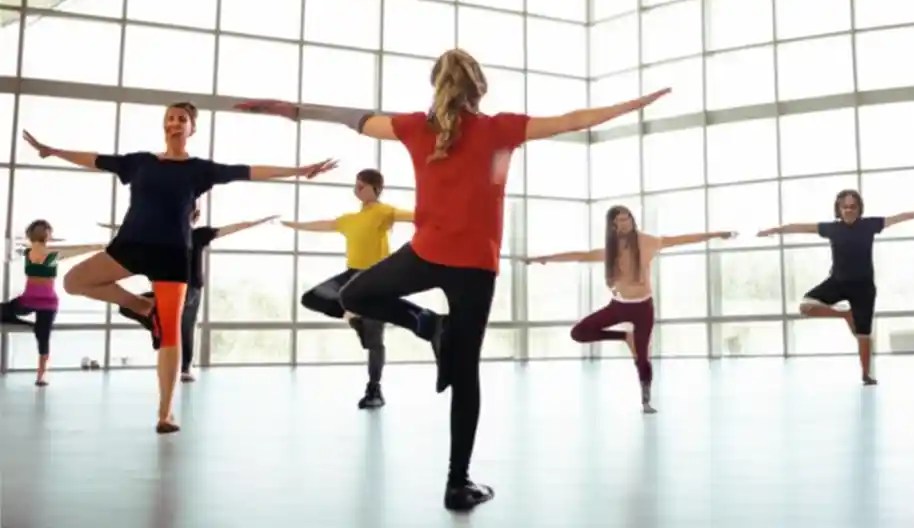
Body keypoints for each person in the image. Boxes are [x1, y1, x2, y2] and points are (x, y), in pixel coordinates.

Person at [234, 47, 670, 512]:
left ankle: (428, 326)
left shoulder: (416, 127)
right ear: (479, 88)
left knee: (356, 293)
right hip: (474, 267)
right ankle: (456, 479)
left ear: (435, 86)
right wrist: (631, 105)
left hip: (427, 254)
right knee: (464, 375)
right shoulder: (499, 128)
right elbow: (571, 120)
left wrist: (294, 110)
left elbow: (353, 117)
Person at [21, 101, 335, 434]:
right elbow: (95, 159)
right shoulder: (139, 162)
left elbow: (247, 171)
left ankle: (165, 412)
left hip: (172, 255)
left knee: (170, 333)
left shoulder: (199, 169)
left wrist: (299, 171)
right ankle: (143, 305)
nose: (175, 123)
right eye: (170, 118)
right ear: (164, 125)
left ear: (191, 128)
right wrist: (52, 151)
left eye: (182, 119)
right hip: (130, 246)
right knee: (74, 280)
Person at [523, 205, 734, 414]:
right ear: (612, 226)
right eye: (618, 222)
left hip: (643, 308)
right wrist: (545, 258)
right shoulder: (611, 250)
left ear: (632, 220)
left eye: (626, 219)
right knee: (578, 332)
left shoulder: (647, 242)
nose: (623, 224)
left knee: (642, 357)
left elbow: (681, 239)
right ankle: (625, 336)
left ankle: (646, 401)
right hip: (619, 306)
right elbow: (581, 256)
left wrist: (715, 234)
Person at [758, 191, 914, 386]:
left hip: (864, 287)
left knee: (863, 335)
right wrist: (773, 230)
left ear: (859, 209)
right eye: (845, 207)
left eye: (853, 207)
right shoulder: (831, 228)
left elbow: (902, 217)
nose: (849, 210)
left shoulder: (869, 225)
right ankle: (846, 315)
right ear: (839, 210)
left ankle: (866, 374)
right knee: (805, 307)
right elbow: (799, 227)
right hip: (837, 282)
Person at [282, 168, 413, 410]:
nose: (357, 189)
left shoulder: (384, 212)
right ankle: (353, 318)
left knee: (375, 340)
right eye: (356, 185)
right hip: (351, 275)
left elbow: (415, 216)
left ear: (376, 188)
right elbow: (325, 224)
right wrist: (294, 225)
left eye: (362, 186)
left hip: (376, 280)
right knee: (312, 297)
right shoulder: (349, 219)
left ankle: (374, 389)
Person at [100, 207, 278, 383]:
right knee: (134, 308)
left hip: (187, 290)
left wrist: (257, 222)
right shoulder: (170, 237)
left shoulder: (194, 235)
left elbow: (233, 228)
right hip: (179, 289)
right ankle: (163, 334)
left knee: (183, 326)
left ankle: (179, 359)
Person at [0, 220, 103, 386]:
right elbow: (75, 250)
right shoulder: (31, 251)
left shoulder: (49, 252)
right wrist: (96, 246)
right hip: (30, 299)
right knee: (39, 335)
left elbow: (76, 250)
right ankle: (29, 327)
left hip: (46, 302)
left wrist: (97, 247)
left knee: (43, 338)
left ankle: (41, 375)